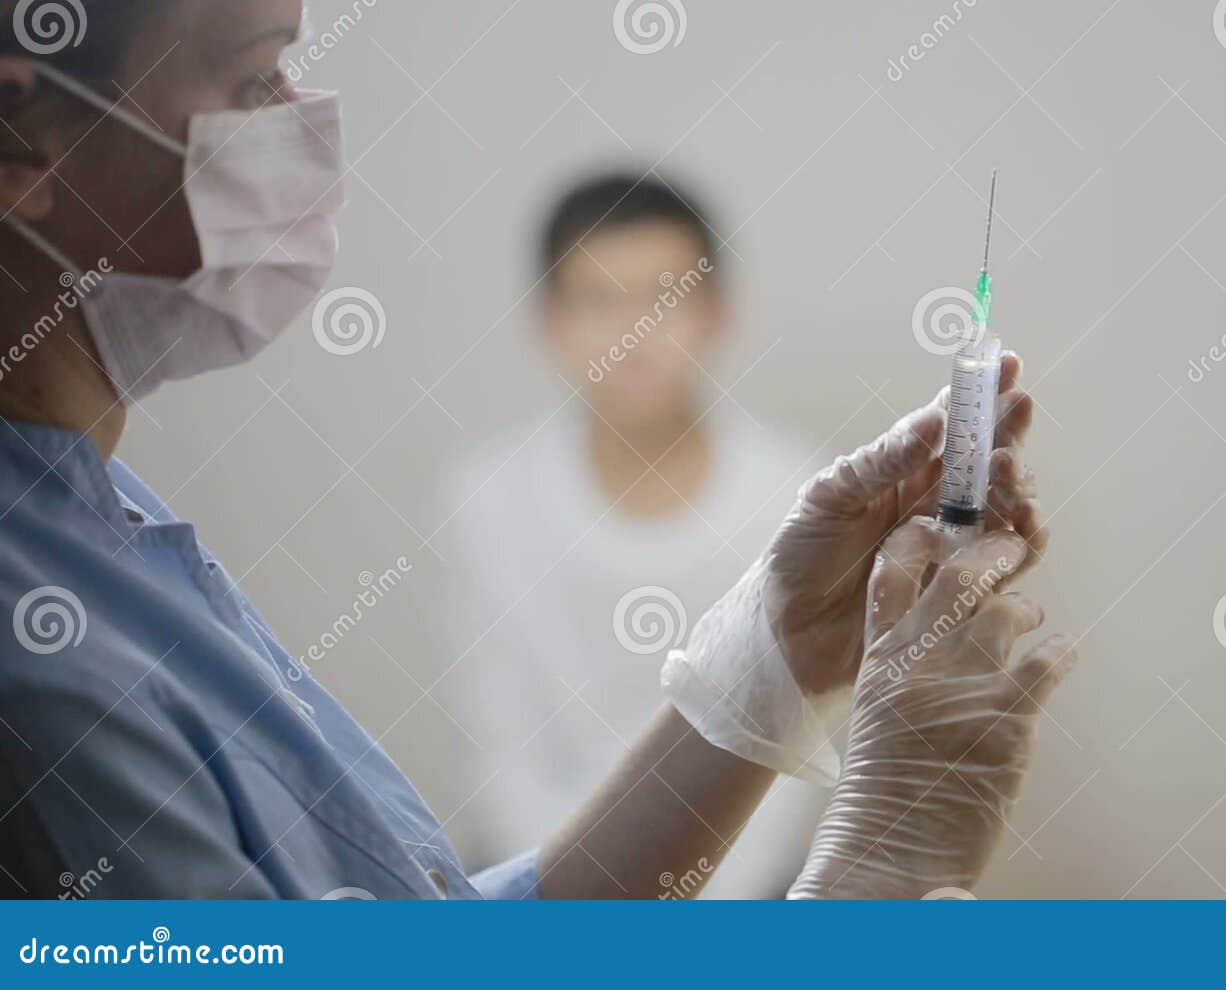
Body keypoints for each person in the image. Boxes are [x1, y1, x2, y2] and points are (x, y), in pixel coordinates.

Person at [0, 0, 1073, 900]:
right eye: (252, 82)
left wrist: (770, 665)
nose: (300, 127)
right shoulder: (42, 657)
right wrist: (869, 890)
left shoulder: (105, 528)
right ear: (22, 137)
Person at [440, 174, 828, 898]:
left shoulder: (795, 493)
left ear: (717, 315)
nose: (636, 333)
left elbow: (785, 751)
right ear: (548, 322)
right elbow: (500, 749)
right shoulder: (488, 497)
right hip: (541, 899)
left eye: (666, 299)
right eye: (598, 300)